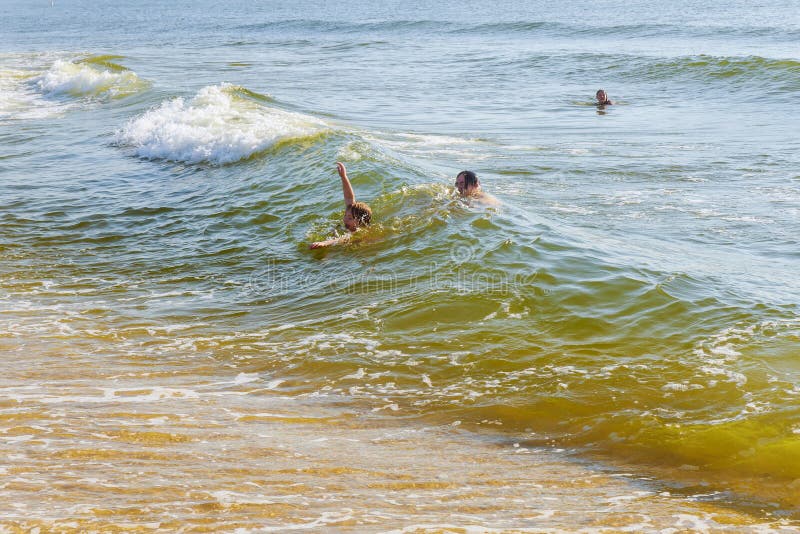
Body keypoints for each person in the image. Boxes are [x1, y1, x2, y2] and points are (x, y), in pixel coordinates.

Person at [310, 162, 372, 249]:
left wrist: (325, 243)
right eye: (345, 215)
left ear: (360, 221)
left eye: (350, 218)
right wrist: (343, 177)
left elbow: (341, 239)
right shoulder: (349, 223)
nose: (345, 219)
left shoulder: (357, 231)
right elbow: (349, 198)